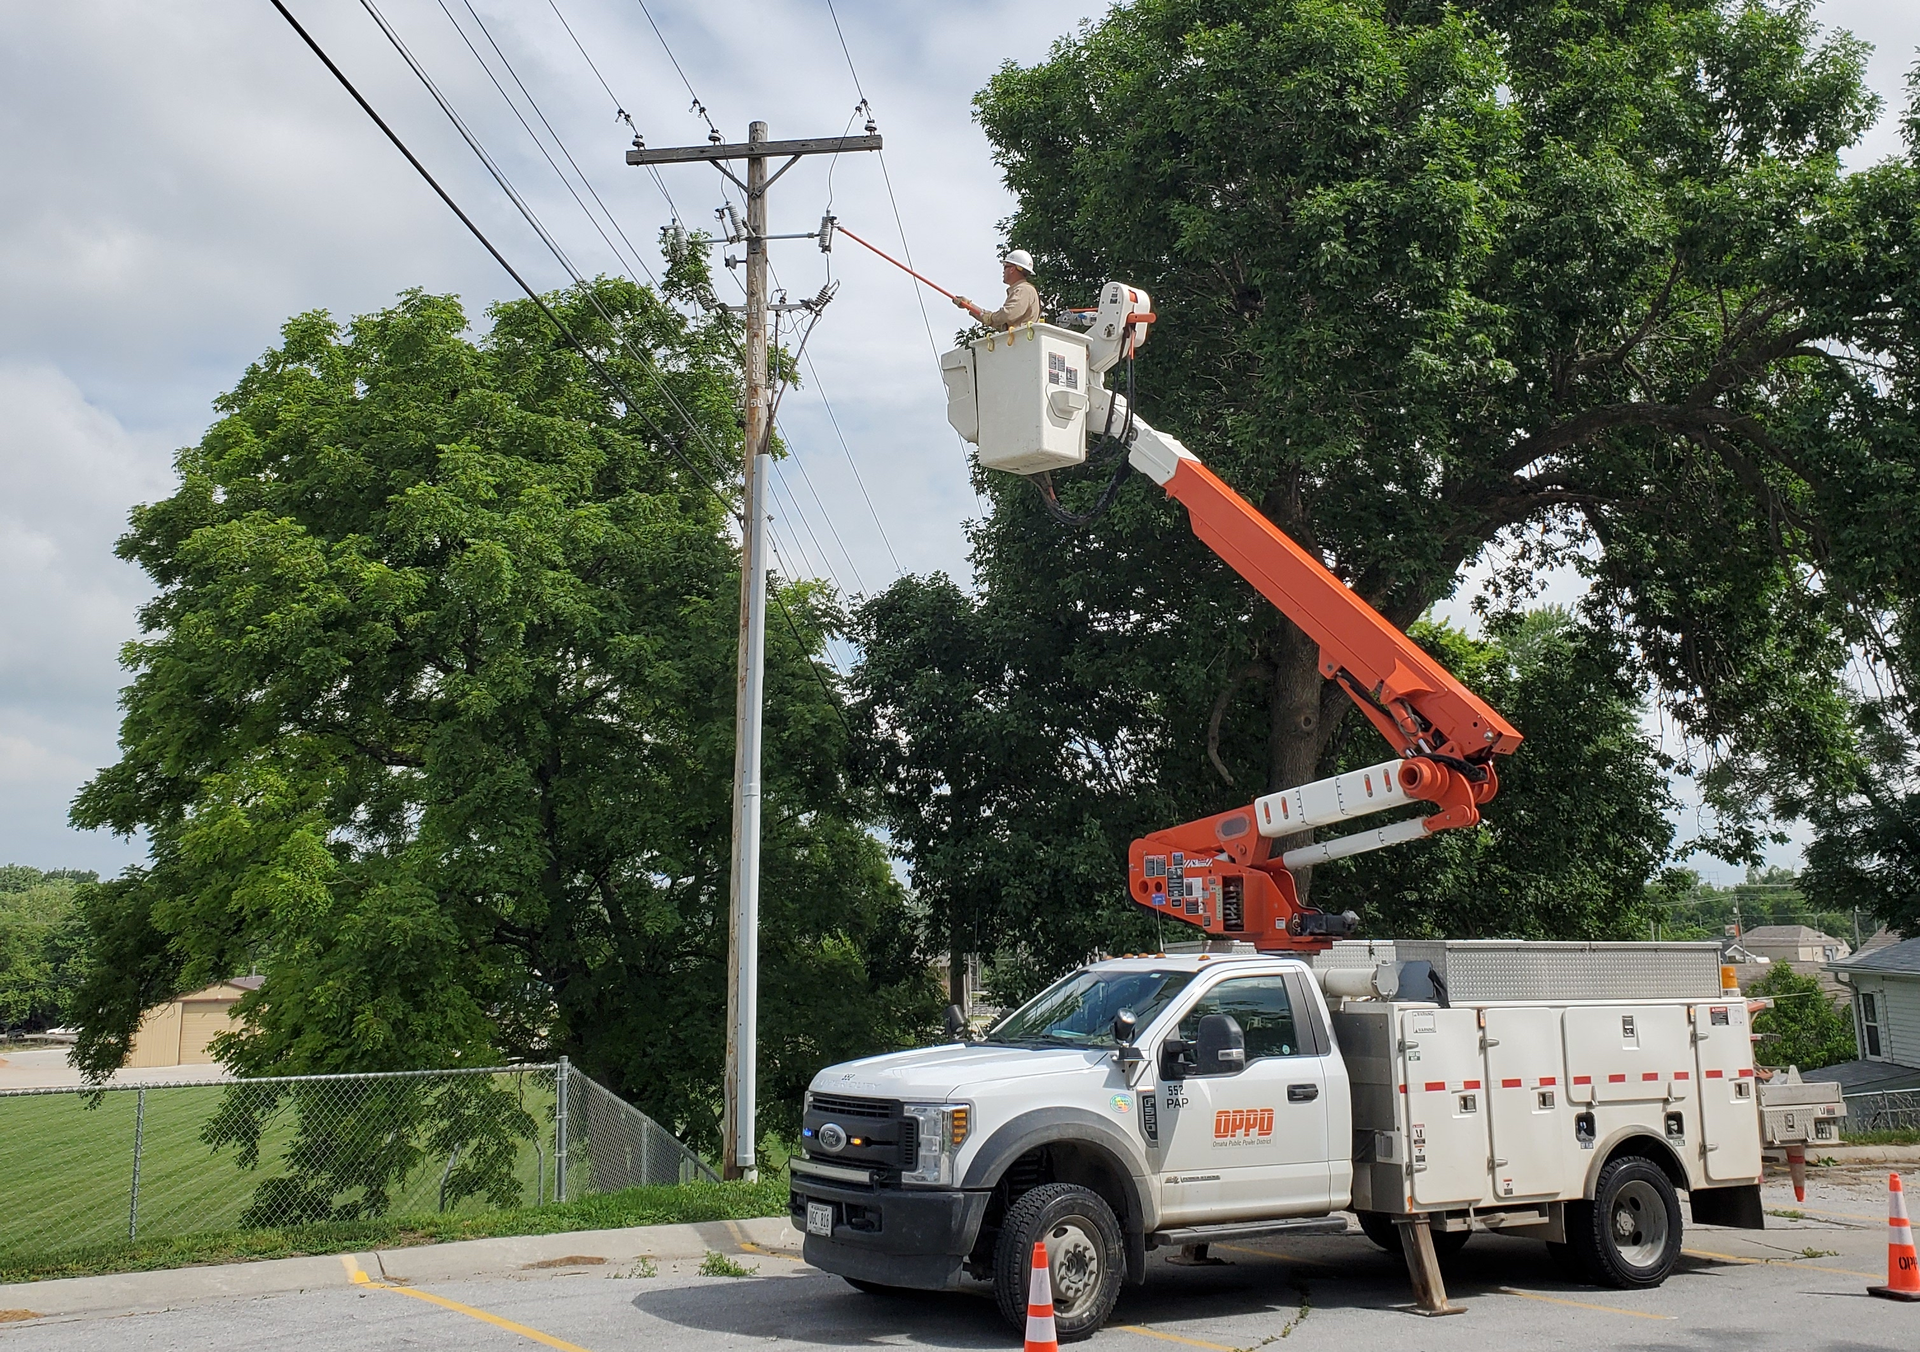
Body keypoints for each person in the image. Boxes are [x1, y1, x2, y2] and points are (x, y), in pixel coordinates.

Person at [955, 250, 1040, 331]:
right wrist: (969, 305)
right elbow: (998, 321)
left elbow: (1007, 314)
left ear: (1012, 269)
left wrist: (991, 317)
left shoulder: (1023, 290)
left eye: (1005, 266)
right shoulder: (1022, 290)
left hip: (1022, 339)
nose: (1003, 271)